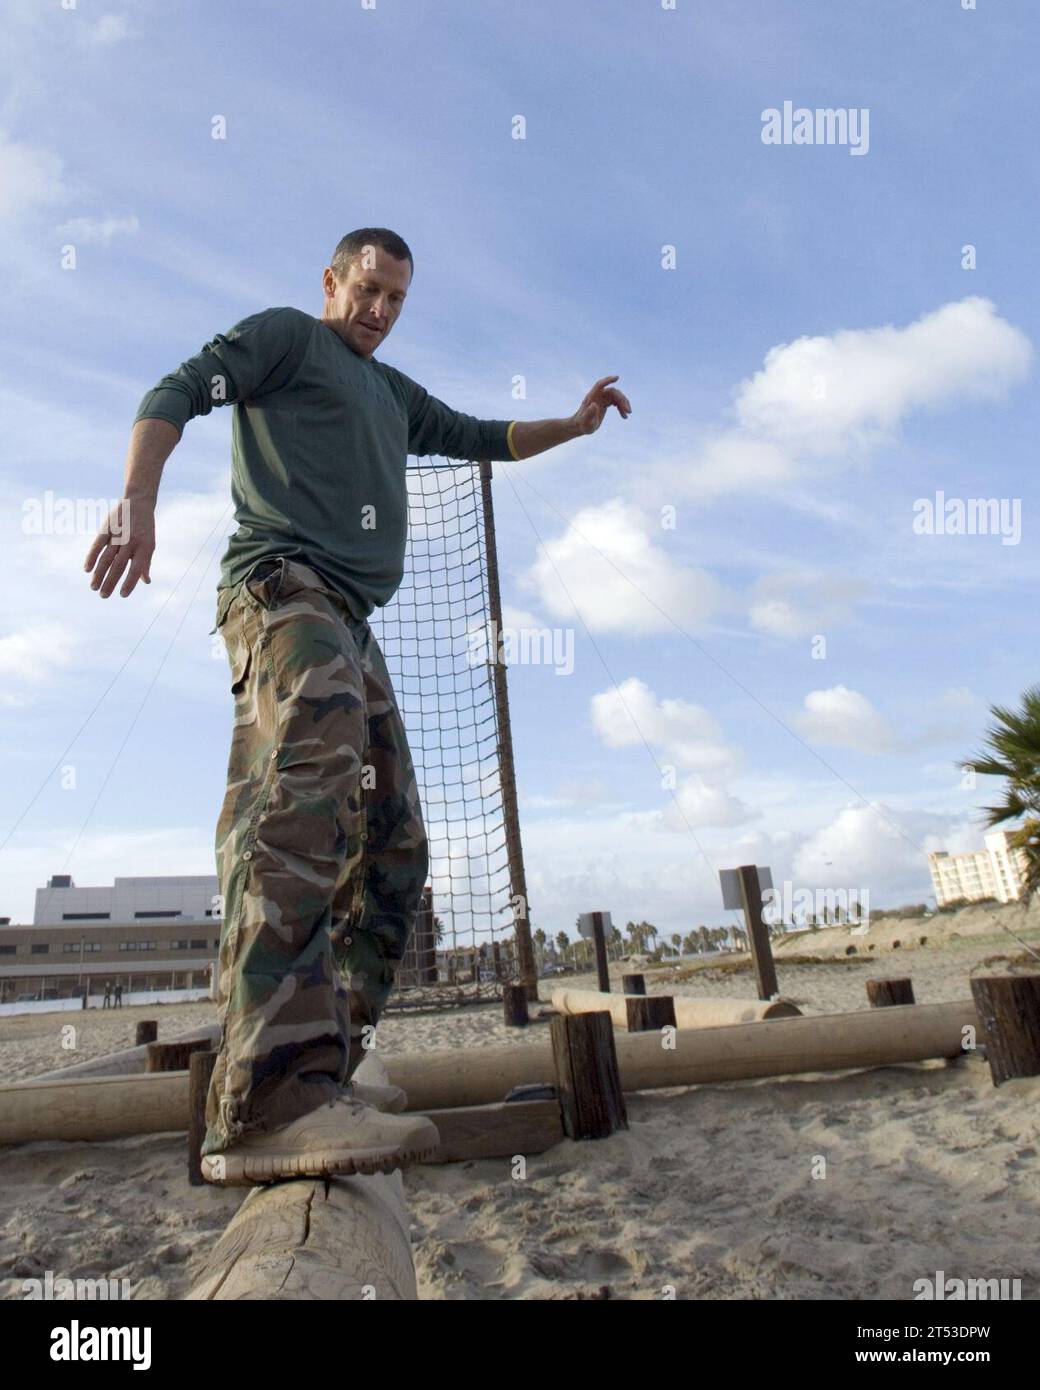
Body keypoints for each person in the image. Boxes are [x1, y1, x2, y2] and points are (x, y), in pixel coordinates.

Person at [84, 228, 630, 1187]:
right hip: (282, 591)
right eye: (367, 289)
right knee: (301, 802)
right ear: (332, 280)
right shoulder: (289, 339)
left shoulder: (392, 394)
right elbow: (172, 394)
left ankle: (328, 1064)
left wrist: (574, 427)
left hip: (350, 620)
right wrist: (138, 495)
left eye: (395, 299)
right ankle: (265, 1100)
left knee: (394, 840)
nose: (378, 310)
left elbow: (484, 438)